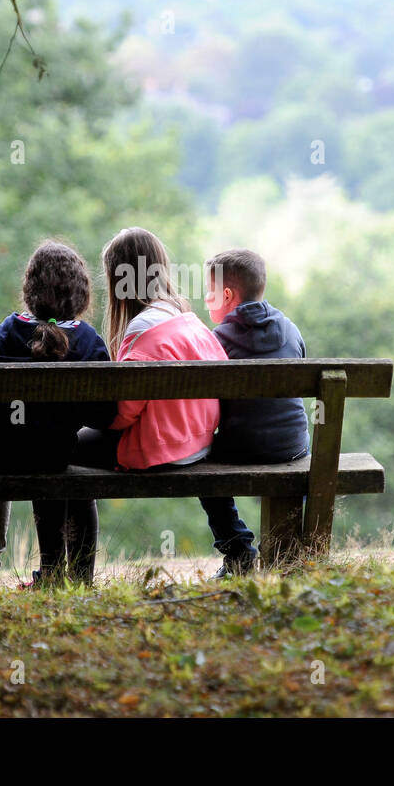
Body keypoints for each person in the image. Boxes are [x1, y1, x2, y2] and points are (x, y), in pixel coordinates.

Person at [0, 240, 116, 588]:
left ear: (30, 287)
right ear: (80, 293)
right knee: (20, 447)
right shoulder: (88, 340)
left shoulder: (10, 329)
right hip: (52, 453)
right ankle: (69, 575)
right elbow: (103, 412)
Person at [71, 228, 229, 577]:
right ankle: (237, 546)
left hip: (158, 449)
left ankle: (75, 570)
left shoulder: (141, 329)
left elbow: (124, 415)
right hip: (199, 444)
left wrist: (90, 417)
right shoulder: (186, 317)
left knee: (61, 449)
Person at [202, 248, 311, 575]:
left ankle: (237, 549)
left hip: (239, 449)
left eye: (209, 292)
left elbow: (209, 406)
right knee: (292, 441)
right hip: (291, 447)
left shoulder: (216, 340)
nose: (206, 299)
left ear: (227, 295)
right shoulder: (290, 329)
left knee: (196, 461)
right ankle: (287, 546)